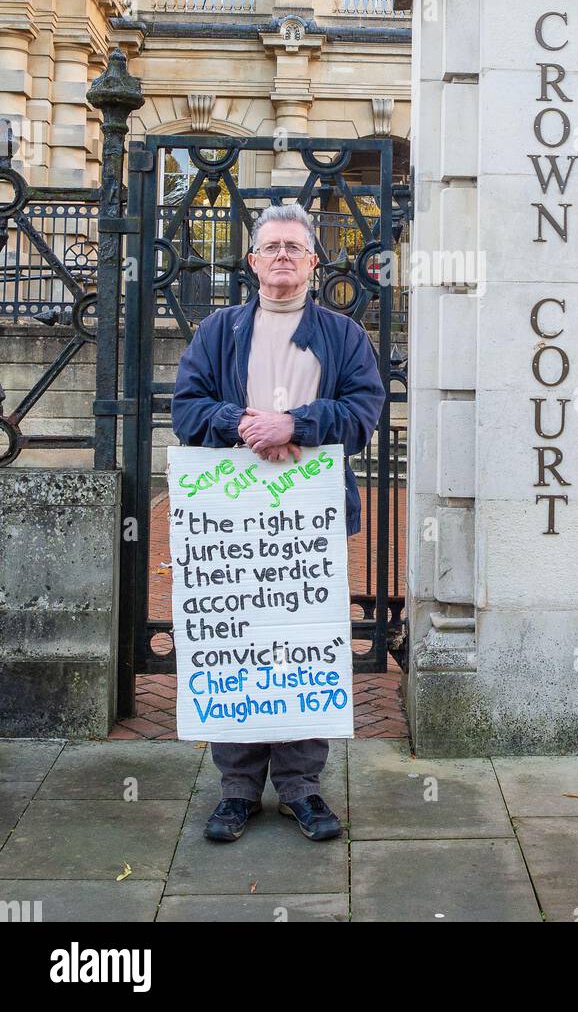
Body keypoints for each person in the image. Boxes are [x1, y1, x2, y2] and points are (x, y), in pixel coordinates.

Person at [172, 202, 386, 843]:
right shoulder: (218, 331)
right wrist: (242, 424)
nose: (284, 255)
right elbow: (187, 407)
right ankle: (236, 790)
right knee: (236, 647)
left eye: (296, 246)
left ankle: (301, 788)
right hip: (232, 524)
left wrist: (298, 424)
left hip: (307, 524)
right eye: (273, 246)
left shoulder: (344, 336)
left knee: (302, 646)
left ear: (314, 262)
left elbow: (364, 411)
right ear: (253, 261)